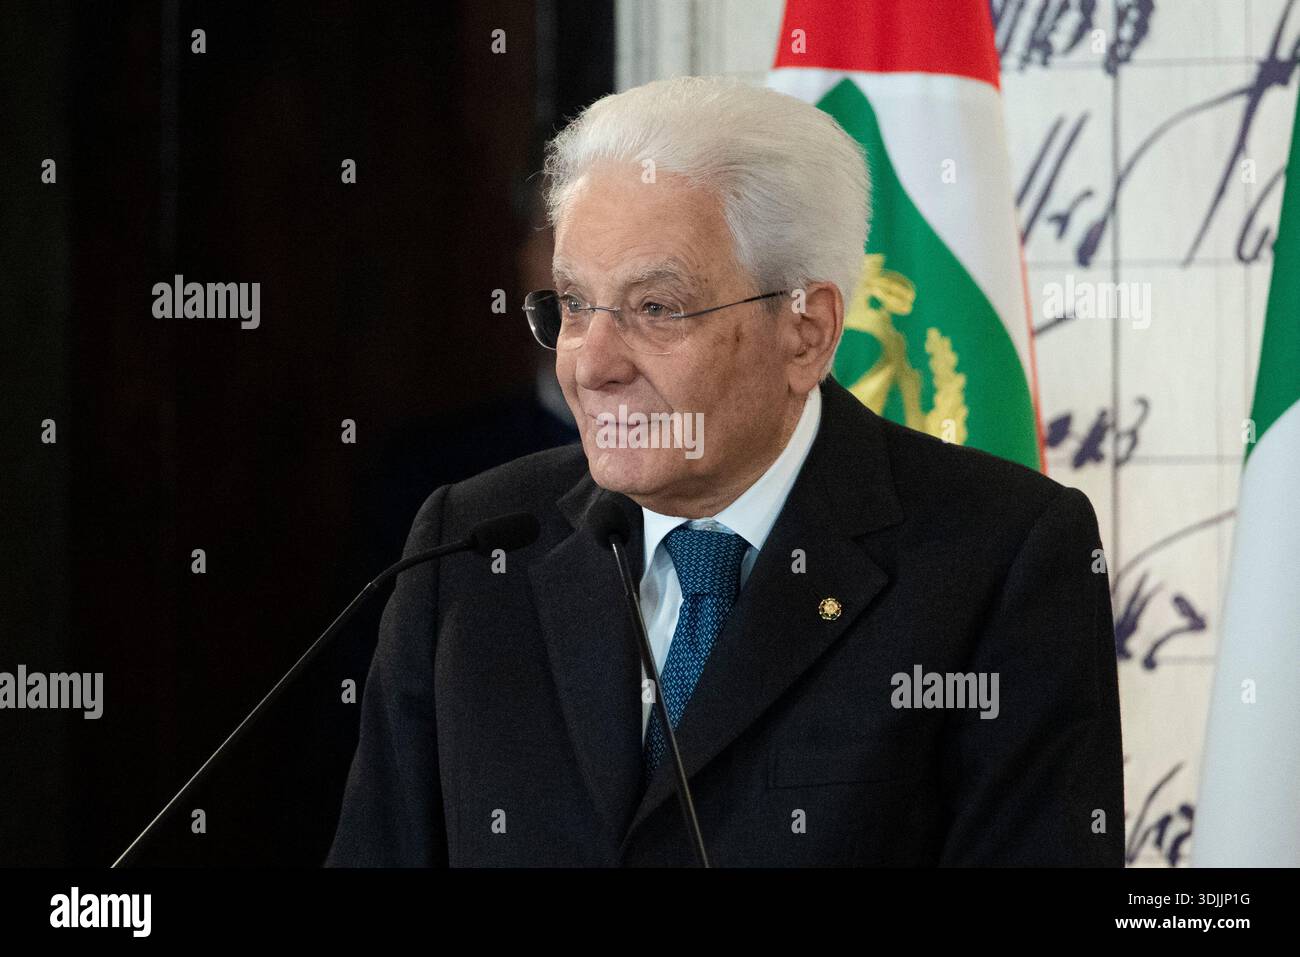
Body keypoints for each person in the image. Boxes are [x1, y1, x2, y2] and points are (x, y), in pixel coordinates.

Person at [326, 75, 1123, 866]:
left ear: (805, 333)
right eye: (572, 305)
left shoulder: (1001, 558)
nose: (592, 364)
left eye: (656, 309)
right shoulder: (469, 550)